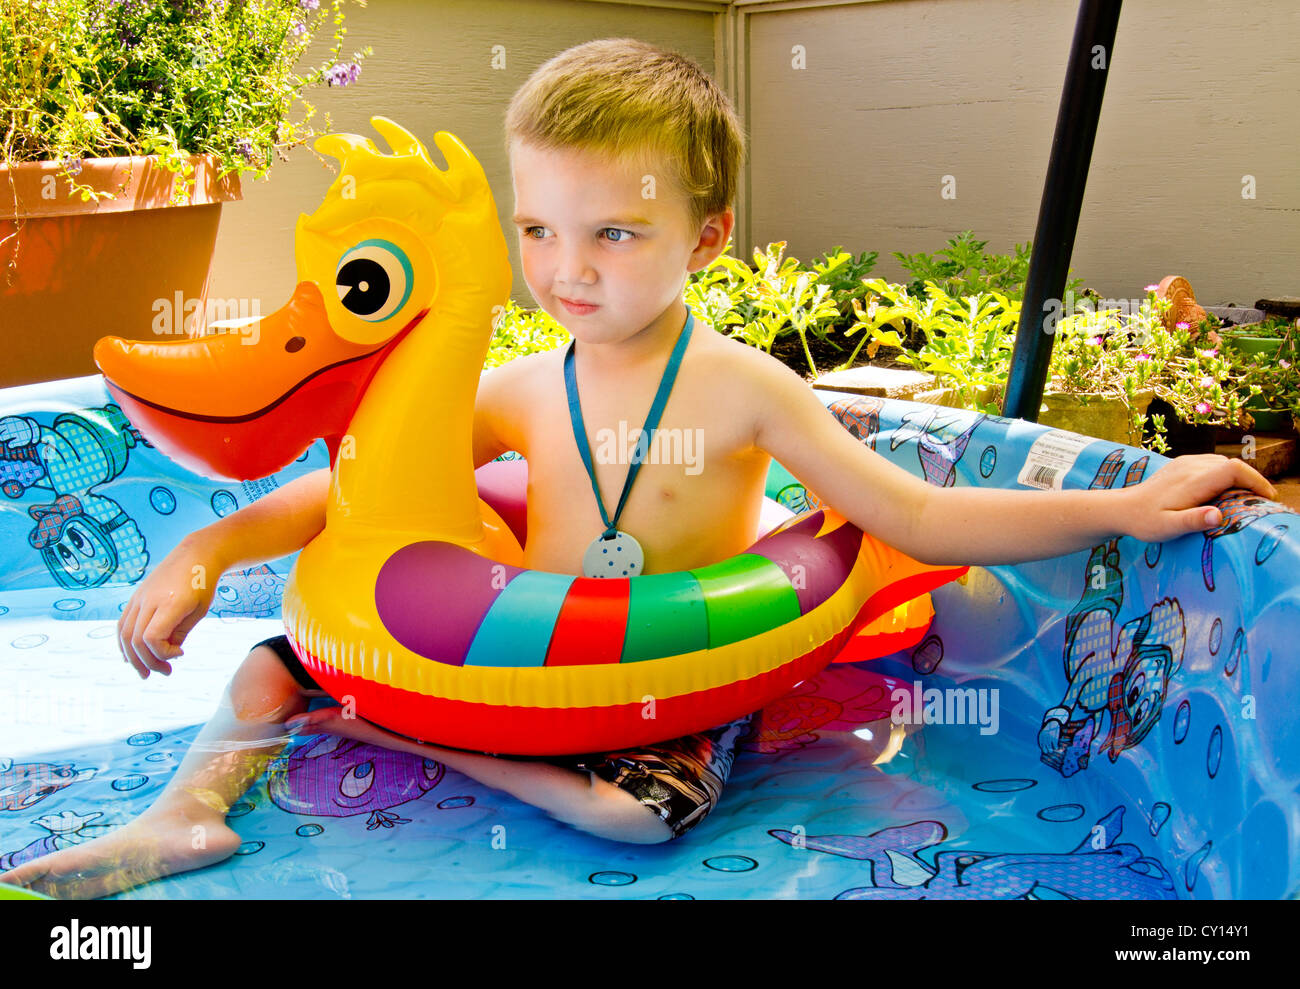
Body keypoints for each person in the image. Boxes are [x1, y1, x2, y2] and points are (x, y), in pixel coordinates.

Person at [0, 38, 1274, 899]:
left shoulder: (743, 390)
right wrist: (206, 544)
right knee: (265, 660)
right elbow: (358, 498)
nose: (568, 269)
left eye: (614, 232)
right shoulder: (514, 387)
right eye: (540, 229)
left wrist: (1126, 499)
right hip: (502, 654)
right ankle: (187, 808)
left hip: (662, 668)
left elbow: (917, 509)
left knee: (636, 817)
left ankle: (405, 729)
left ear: (706, 235)